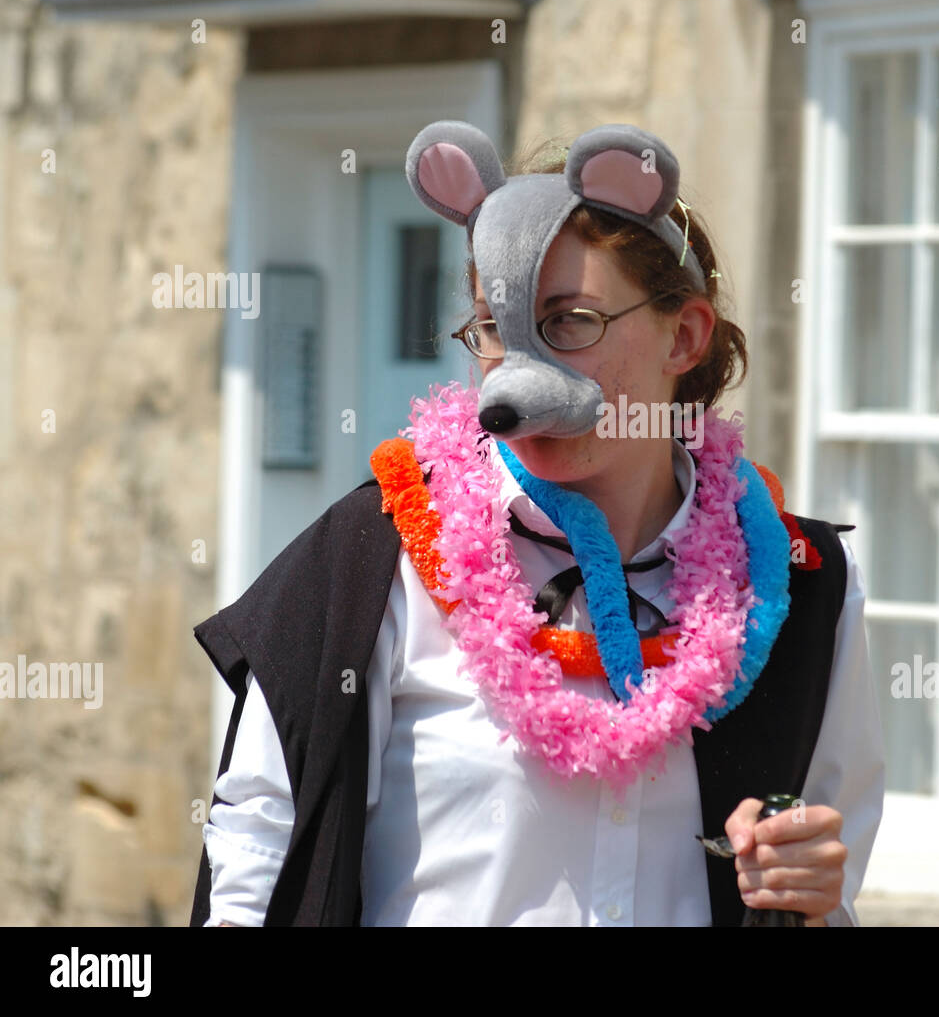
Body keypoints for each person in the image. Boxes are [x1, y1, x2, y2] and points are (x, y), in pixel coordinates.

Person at [190, 121, 885, 927]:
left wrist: (808, 893)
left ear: (685, 336)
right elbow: (258, 855)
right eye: (496, 327)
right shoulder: (375, 562)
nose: (516, 376)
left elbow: (829, 880)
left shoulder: (800, 588)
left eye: (570, 322)